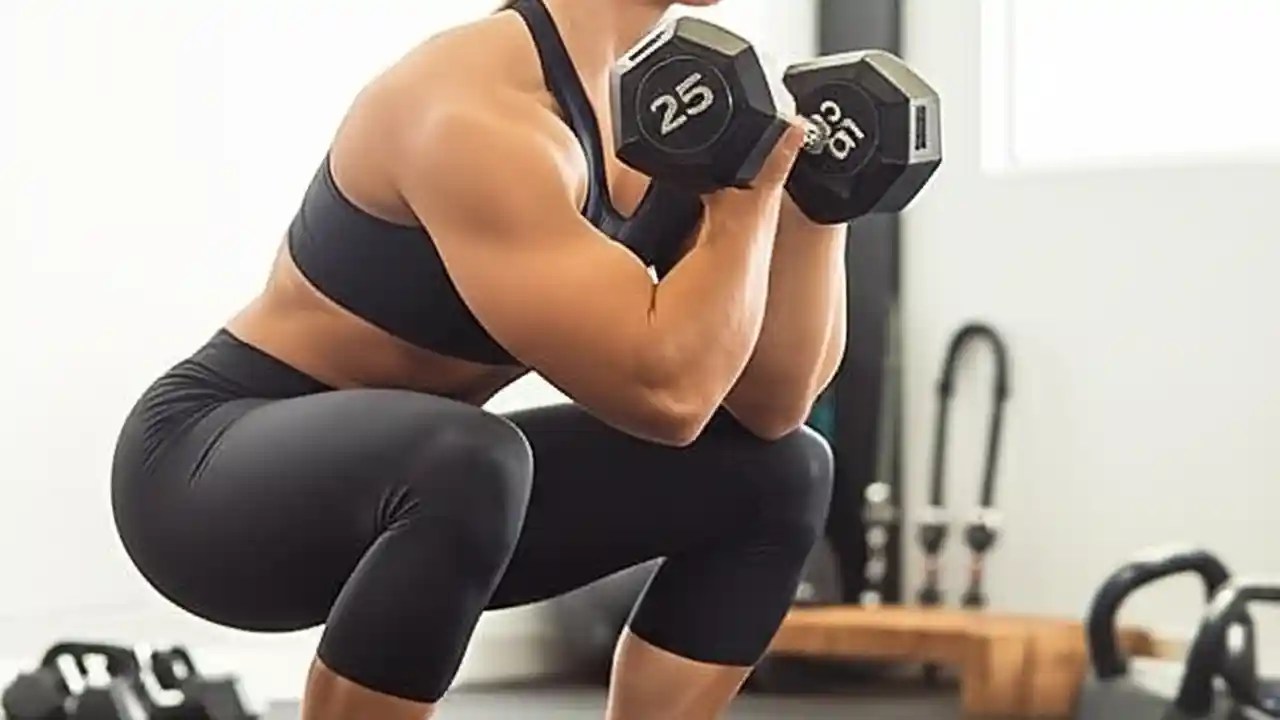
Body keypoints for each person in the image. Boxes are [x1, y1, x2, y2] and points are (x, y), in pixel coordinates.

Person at [110, 0, 848, 717]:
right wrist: (745, 191)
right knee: (470, 459)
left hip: (433, 495)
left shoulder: (664, 113)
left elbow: (770, 403)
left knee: (781, 473)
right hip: (206, 484)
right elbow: (669, 397)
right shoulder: (472, 110)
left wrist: (817, 204)